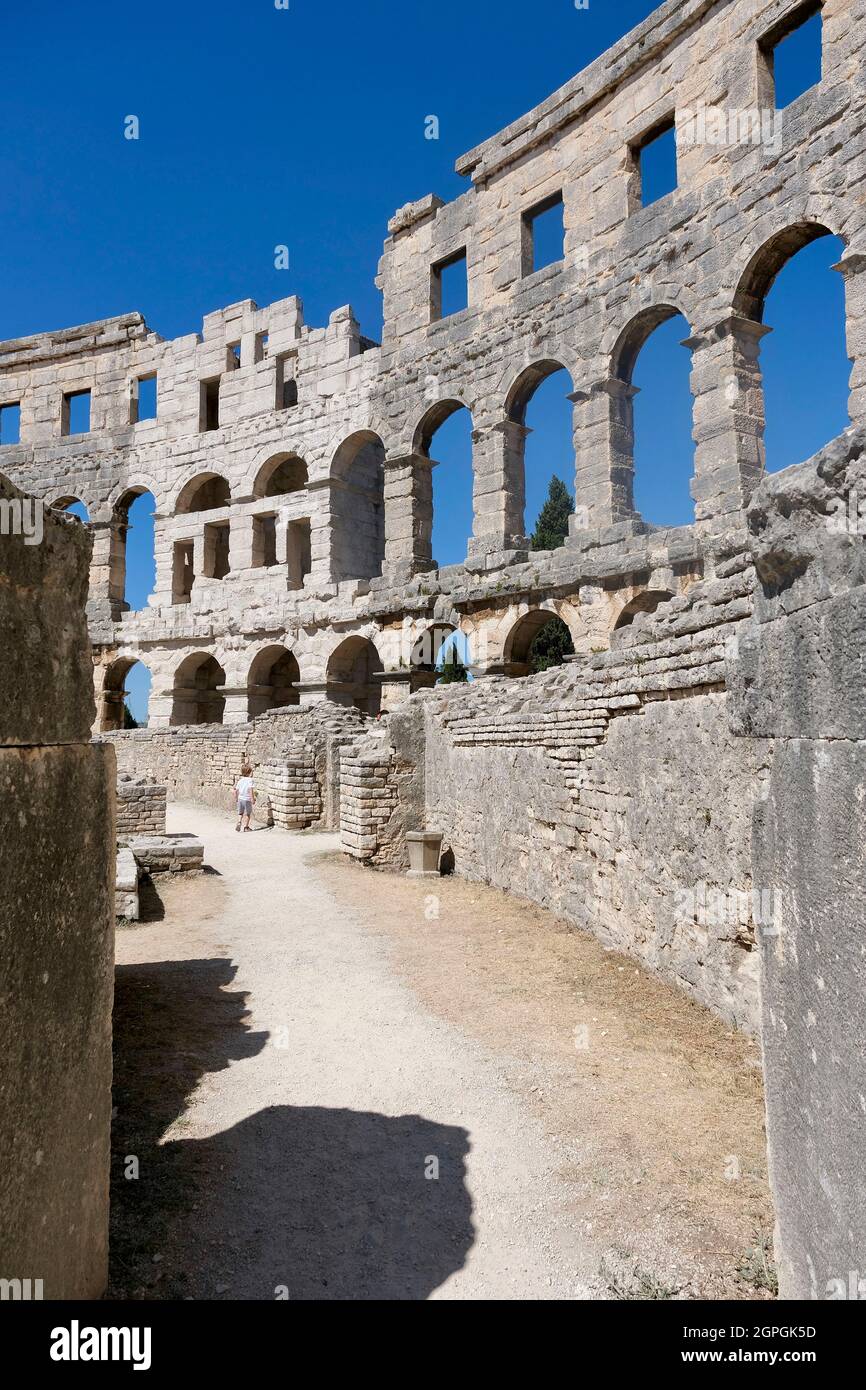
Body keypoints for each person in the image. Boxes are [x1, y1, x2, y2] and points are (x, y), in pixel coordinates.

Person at [234, 764, 256, 833]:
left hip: (240, 799)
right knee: (248, 814)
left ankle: (239, 822)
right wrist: (252, 799)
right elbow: (250, 790)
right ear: (249, 772)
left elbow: (236, 790)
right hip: (247, 799)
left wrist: (236, 798)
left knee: (240, 813)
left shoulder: (240, 780)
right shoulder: (250, 780)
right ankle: (246, 827)